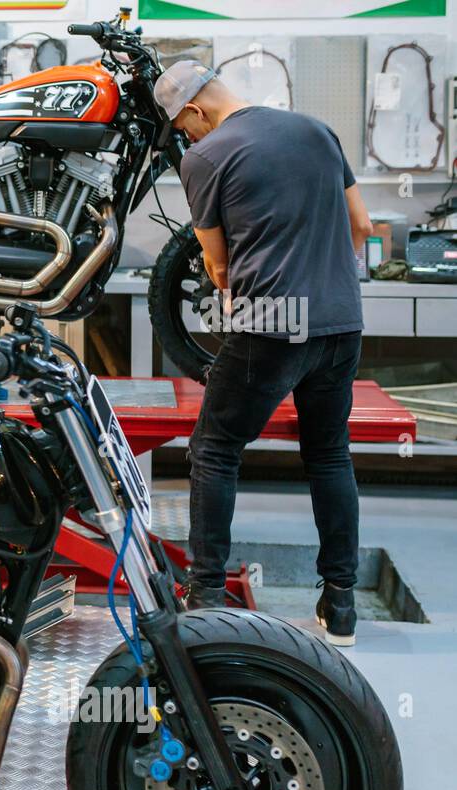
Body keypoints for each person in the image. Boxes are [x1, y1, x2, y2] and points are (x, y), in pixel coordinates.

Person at [154, 61, 374, 646]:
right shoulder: (316, 129)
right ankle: (341, 605)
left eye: (184, 127)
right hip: (342, 322)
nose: (188, 139)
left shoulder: (203, 157)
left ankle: (204, 596)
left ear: (195, 111)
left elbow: (218, 265)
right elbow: (363, 224)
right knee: (329, 454)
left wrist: (237, 298)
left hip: (272, 323)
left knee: (216, 447)